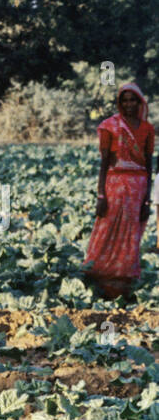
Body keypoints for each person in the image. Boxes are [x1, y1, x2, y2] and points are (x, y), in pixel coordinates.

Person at [85, 83, 154, 299]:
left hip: (138, 187)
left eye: (133, 100)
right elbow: (104, 162)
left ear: (140, 102)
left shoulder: (147, 129)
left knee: (132, 232)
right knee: (107, 227)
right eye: (125, 100)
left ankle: (124, 279)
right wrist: (100, 195)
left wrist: (147, 201)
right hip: (114, 185)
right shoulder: (110, 126)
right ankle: (100, 274)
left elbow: (149, 164)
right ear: (119, 103)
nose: (129, 104)